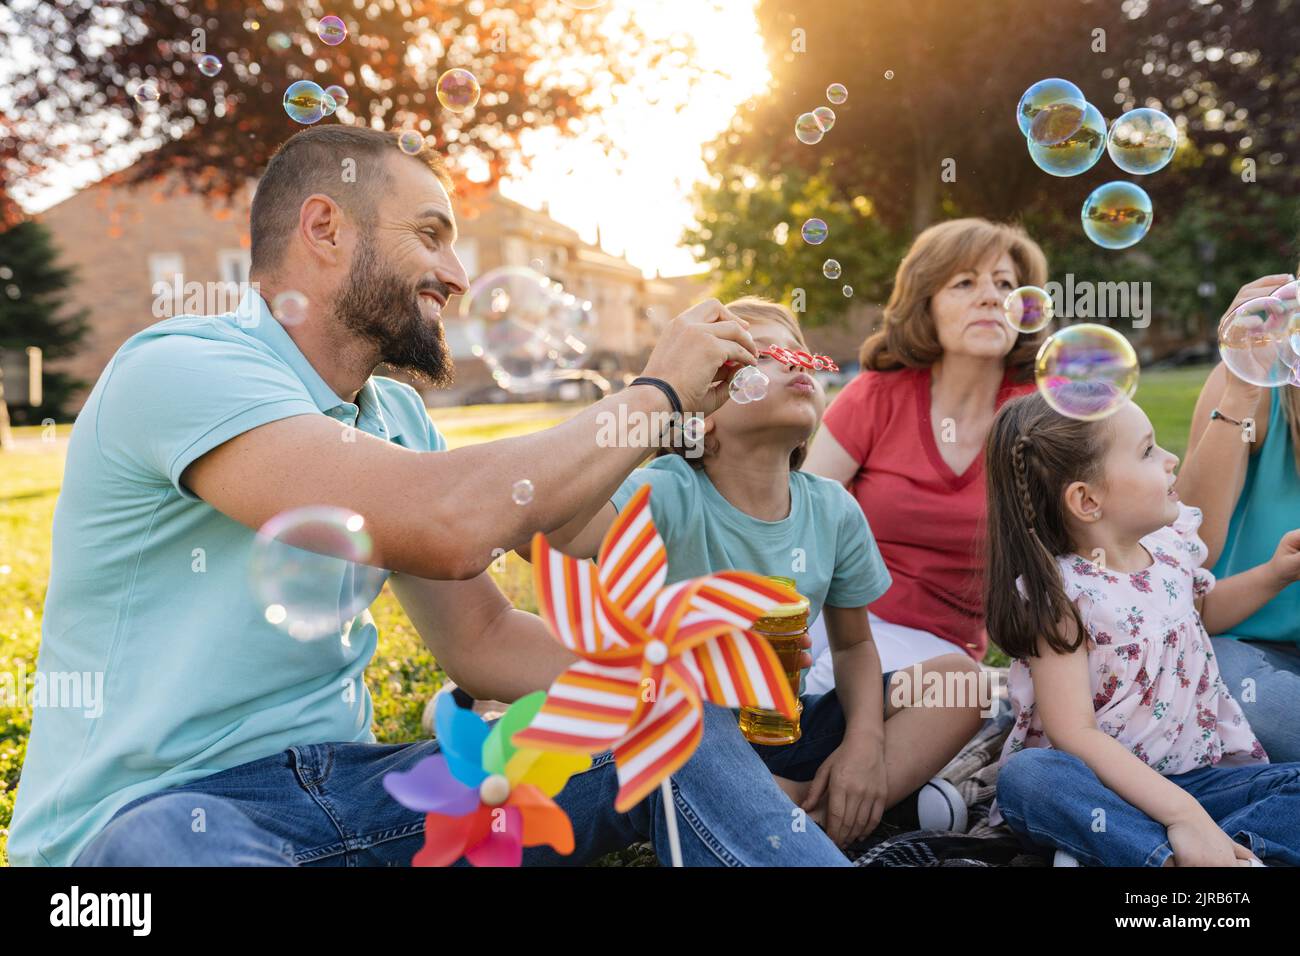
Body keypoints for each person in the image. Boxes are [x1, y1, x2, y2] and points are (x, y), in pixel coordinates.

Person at [8, 126, 854, 867]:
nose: (455, 274)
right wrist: (654, 399)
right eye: (430, 235)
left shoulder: (397, 414)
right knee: (164, 850)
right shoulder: (182, 368)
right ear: (325, 227)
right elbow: (450, 520)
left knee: (671, 718)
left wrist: (680, 673)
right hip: (156, 818)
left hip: (353, 792)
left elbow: (481, 637)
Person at [538, 297, 984, 845]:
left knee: (960, 683)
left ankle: (816, 808)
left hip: (785, 728)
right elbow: (562, 533)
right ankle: (791, 810)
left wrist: (864, 744)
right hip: (688, 733)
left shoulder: (833, 508)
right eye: (764, 356)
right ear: (701, 414)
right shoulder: (670, 491)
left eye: (799, 354)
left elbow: (851, 648)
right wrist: (651, 412)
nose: (795, 363)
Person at [984, 390, 1300, 867]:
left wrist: (1275, 573)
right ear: (1087, 500)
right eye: (1149, 450)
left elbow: (1202, 614)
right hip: (1102, 792)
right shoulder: (1062, 594)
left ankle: (1184, 853)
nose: (1172, 459)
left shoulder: (1170, 548)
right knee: (1030, 778)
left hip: (1203, 779)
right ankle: (1176, 856)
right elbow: (1074, 734)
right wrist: (1180, 814)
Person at [803, 218, 1048, 693]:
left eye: (1005, 284)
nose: (991, 296)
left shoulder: (1041, 412)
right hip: (835, 619)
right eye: (964, 282)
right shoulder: (876, 395)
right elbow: (804, 517)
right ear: (926, 304)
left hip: (936, 649)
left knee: (830, 700)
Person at [1176, 272, 1300, 763]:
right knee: (1257, 704)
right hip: (1245, 647)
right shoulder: (1262, 385)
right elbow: (1191, 545)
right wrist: (1242, 389)